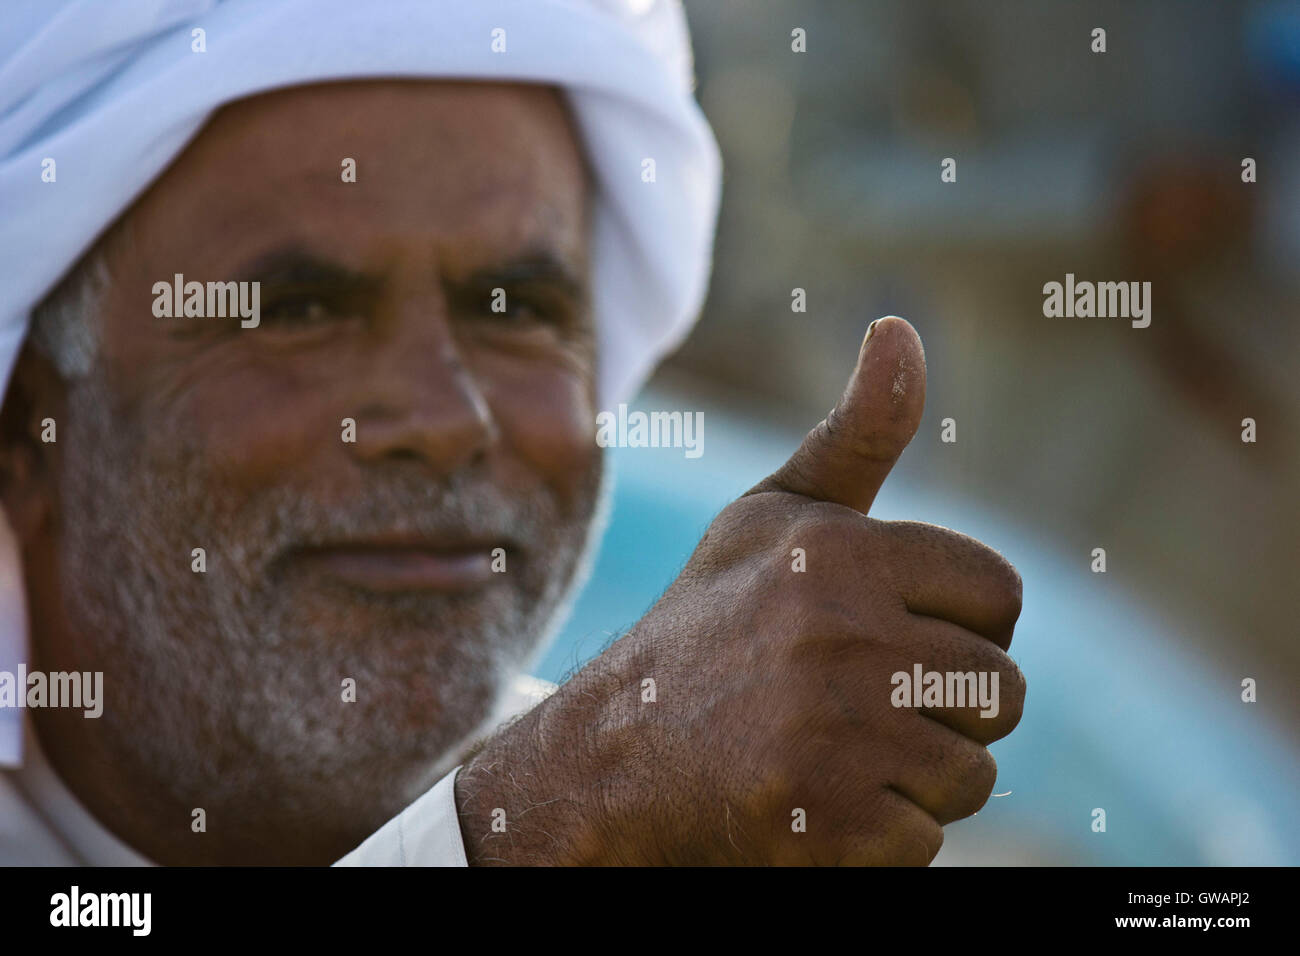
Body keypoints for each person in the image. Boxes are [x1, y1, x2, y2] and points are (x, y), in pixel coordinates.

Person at [0, 0, 1023, 866]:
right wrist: (557, 807)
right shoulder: (594, 793)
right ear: (25, 424)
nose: (448, 420)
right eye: (302, 311)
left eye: (513, 310)